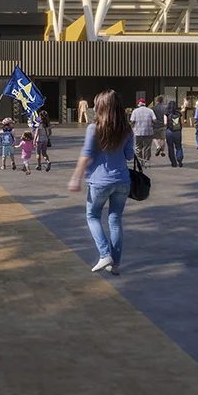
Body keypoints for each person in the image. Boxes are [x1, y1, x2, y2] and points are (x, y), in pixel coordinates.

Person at [67, 89, 135, 276]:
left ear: (100, 107)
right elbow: (129, 155)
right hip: (122, 180)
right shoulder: (127, 129)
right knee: (115, 220)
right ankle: (115, 264)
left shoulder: (94, 128)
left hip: (99, 182)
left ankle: (105, 254)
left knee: (93, 216)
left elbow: (86, 155)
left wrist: (76, 177)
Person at [129, 97, 154, 170]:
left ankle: (140, 162)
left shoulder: (135, 111)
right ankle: (146, 161)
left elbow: (132, 121)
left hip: (138, 132)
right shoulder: (150, 111)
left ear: (138, 104)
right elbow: (154, 120)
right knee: (147, 147)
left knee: (138, 147)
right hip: (148, 132)